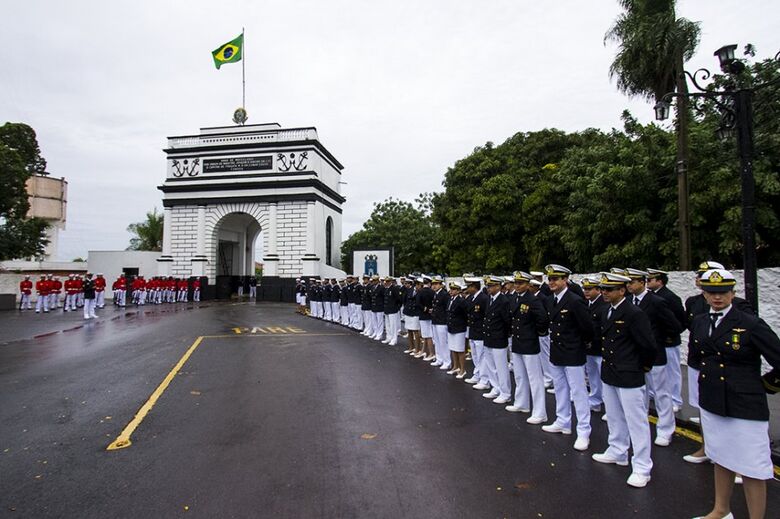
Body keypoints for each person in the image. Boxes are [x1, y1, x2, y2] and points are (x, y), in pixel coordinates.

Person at [690, 269, 780, 519]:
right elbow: (698, 357)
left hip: (744, 402)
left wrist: (764, 386)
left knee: (751, 465)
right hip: (713, 399)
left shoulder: (749, 322)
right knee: (720, 455)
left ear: (732, 293)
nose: (717, 298)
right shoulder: (699, 321)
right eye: (711, 292)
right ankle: (721, 509)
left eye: (723, 292)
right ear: (704, 294)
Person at [591, 272, 656, 489]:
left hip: (629, 373)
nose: (605, 293)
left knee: (636, 421)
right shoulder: (606, 311)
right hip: (610, 371)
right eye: (603, 289)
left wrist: (641, 367)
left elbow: (647, 346)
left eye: (609, 290)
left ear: (623, 290)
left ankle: (642, 466)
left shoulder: (634, 313)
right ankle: (618, 450)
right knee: (615, 416)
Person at [624, 267, 682, 447]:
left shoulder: (656, 302)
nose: (629, 286)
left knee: (661, 394)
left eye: (632, 282)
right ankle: (642, 428)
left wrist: (659, 340)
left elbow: (674, 325)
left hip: (655, 354)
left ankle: (666, 429)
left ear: (642, 282)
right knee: (640, 395)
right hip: (636, 356)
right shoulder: (628, 301)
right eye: (628, 282)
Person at [542, 264, 593, 452]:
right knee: (560, 389)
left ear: (565, 280)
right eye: (550, 279)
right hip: (557, 351)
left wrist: (580, 344)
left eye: (556, 279)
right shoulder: (551, 301)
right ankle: (563, 420)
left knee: (578, 393)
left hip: (573, 352)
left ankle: (583, 431)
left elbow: (587, 328)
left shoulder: (575, 301)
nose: (552, 282)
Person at [507, 271, 549, 423]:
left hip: (530, 342)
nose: (517, 286)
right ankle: (522, 403)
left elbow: (543, 319)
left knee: (535, 379)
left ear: (528, 284)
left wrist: (536, 332)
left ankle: (540, 412)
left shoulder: (532, 299)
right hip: (518, 342)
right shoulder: (513, 298)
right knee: (519, 376)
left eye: (521, 283)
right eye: (516, 283)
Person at [647, 268, 686, 412]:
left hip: (668, 341)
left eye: (650, 280)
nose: (647, 283)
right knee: (655, 371)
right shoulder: (651, 296)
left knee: (672, 371)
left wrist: (669, 335)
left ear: (660, 281)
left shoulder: (670, 297)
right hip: (656, 341)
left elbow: (680, 321)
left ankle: (675, 399)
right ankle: (654, 394)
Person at [481, 276, 512, 404]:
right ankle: (495, 387)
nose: (489, 288)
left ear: (499, 286)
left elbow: (507, 321)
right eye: (488, 286)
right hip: (489, 336)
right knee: (491, 365)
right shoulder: (490, 299)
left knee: (501, 367)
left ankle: (505, 392)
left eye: (491, 286)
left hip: (499, 338)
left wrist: (503, 335)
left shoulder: (503, 300)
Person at [582, 276, 607, 412]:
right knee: (592, 377)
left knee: (604, 378)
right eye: (585, 289)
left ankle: (609, 406)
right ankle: (595, 401)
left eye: (589, 289)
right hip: (589, 348)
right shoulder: (587, 304)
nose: (586, 292)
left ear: (598, 290)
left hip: (600, 347)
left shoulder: (603, 305)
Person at [465, 276, 490, 388]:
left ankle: (484, 379)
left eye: (469, 286)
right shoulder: (471, 298)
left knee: (481, 356)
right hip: (473, 330)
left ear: (474, 287)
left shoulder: (483, 298)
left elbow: (486, 315)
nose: (467, 289)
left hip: (480, 331)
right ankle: (477, 374)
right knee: (475, 354)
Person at [445, 282, 468, 378]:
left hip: (459, 328)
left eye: (454, 289)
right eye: (451, 289)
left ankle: (462, 370)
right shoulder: (451, 299)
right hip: (451, 327)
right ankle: (455, 366)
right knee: (453, 348)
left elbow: (465, 314)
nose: (451, 291)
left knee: (460, 349)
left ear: (458, 291)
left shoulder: (461, 301)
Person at [430, 276, 451, 369]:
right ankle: (439, 359)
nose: (434, 286)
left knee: (443, 342)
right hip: (435, 320)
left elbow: (447, 309)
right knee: (437, 342)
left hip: (442, 321)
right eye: (433, 284)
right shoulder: (436, 294)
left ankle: (447, 361)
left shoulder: (444, 294)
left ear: (441, 284)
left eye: (436, 284)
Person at [416, 276, 436, 361]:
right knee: (426, 335)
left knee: (427, 335)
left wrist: (425, 309)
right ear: (429, 283)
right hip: (431, 315)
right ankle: (424, 351)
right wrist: (430, 310)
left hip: (423, 315)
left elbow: (418, 303)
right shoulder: (432, 292)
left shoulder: (420, 292)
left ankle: (431, 353)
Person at [402, 277, 421, 355]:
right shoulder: (409, 290)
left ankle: (417, 349)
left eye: (418, 284)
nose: (416, 286)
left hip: (415, 313)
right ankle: (411, 347)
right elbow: (405, 300)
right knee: (409, 330)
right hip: (408, 312)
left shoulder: (420, 292)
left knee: (416, 331)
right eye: (416, 284)